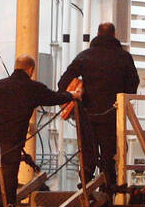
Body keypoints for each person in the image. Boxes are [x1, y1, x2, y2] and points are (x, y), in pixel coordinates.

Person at [0, 54, 79, 207]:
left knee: (1, 189)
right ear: (31, 70)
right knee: (7, 192)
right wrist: (73, 95)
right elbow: (54, 97)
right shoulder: (31, 88)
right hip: (8, 148)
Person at [57, 22, 140, 191]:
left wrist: (75, 96)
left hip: (86, 114)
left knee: (87, 152)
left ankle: (86, 186)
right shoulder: (124, 57)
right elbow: (133, 84)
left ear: (97, 34)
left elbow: (63, 82)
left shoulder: (84, 56)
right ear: (114, 35)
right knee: (109, 153)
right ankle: (108, 186)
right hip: (112, 113)